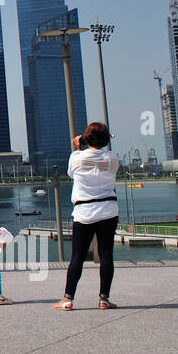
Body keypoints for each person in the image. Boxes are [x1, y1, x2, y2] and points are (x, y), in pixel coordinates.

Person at [54, 122, 120, 310]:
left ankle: (68, 299)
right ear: (106, 139)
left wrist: (78, 147)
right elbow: (106, 168)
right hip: (108, 209)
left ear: (86, 139)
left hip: (84, 212)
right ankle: (104, 299)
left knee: (78, 256)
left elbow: (72, 174)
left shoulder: (76, 158)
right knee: (106, 253)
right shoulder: (112, 158)